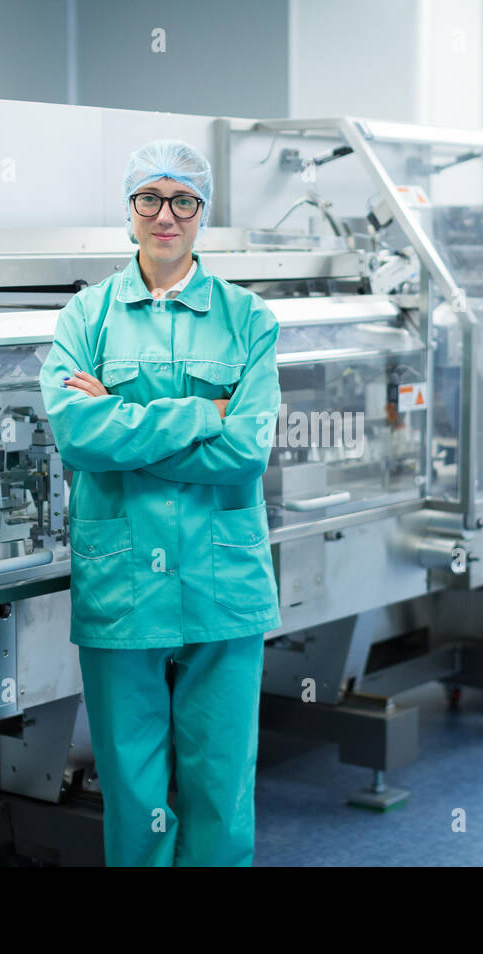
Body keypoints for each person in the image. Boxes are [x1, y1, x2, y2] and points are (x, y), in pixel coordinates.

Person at [39, 139, 281, 867]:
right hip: (124, 589)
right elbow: (76, 433)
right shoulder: (86, 316)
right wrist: (204, 414)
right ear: (130, 211)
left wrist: (124, 418)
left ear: (202, 212)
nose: (165, 215)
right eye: (150, 199)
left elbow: (248, 452)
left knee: (220, 788)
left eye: (183, 201)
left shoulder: (249, 320)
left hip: (222, 584)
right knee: (135, 795)